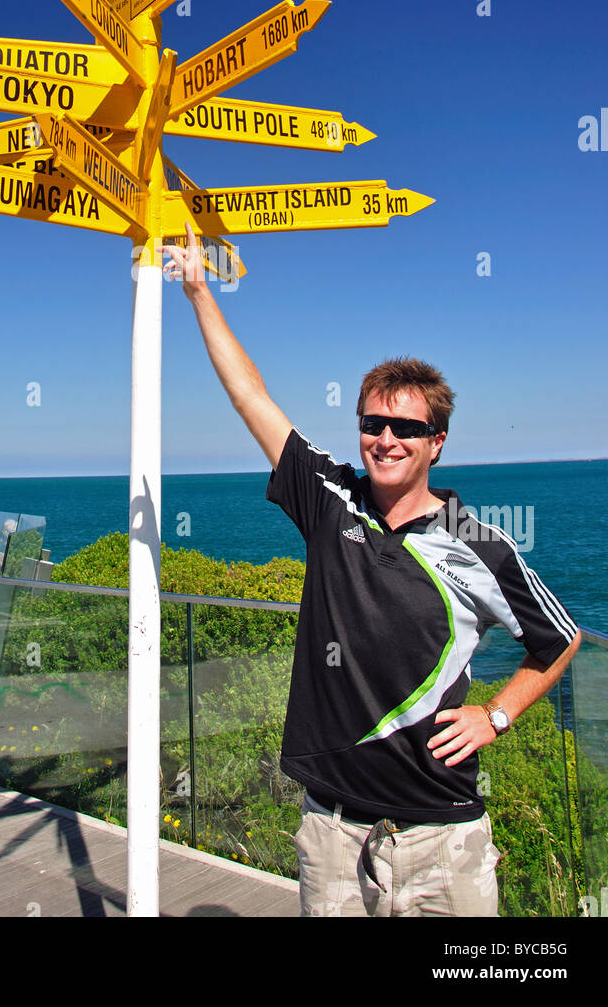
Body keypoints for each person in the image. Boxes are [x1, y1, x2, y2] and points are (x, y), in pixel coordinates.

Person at [162, 225, 581, 917]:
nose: (384, 439)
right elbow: (251, 399)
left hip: (443, 837)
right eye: (371, 423)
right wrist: (199, 291)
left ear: (435, 442)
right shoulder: (329, 502)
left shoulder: (479, 545)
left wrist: (496, 715)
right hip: (332, 830)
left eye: (405, 429)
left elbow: (558, 639)